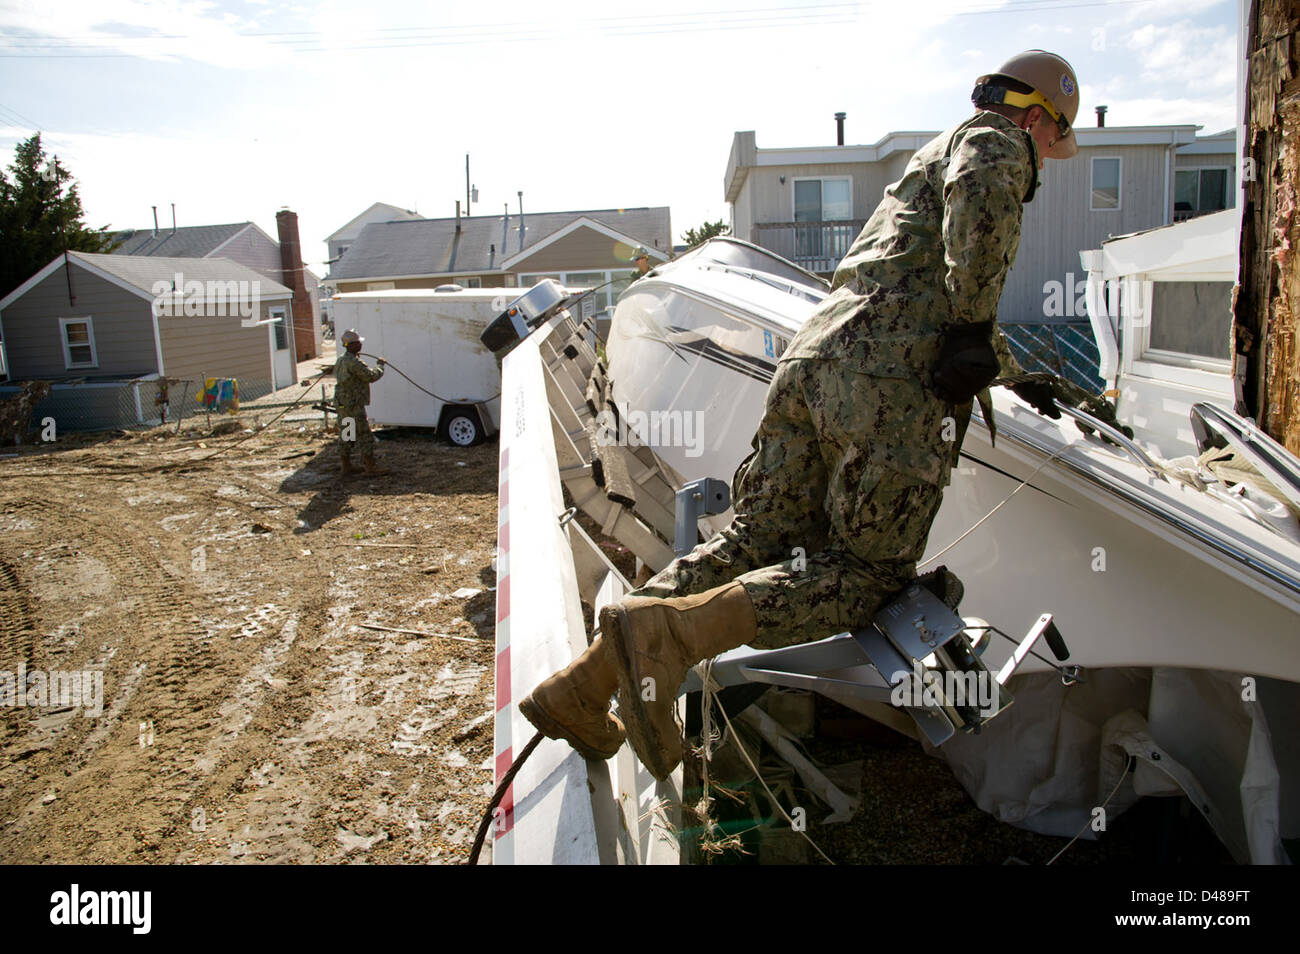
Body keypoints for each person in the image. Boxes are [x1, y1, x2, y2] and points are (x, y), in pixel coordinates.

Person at [520, 51, 1091, 780]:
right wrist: (978, 329)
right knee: (865, 575)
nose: (1046, 153)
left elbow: (907, 288)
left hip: (812, 365)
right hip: (886, 391)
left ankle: (581, 687)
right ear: (1038, 117)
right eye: (1052, 139)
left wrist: (1012, 370)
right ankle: (669, 641)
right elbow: (969, 245)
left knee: (753, 545)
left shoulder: (921, 168)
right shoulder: (994, 138)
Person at [334, 328, 388, 476]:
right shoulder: (353, 362)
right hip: (353, 404)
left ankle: (346, 467)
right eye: (357, 343)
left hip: (343, 403)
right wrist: (380, 366)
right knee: (364, 434)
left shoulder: (341, 360)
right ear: (351, 345)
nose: (360, 345)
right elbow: (370, 376)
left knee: (347, 434)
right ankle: (370, 468)